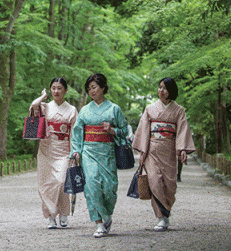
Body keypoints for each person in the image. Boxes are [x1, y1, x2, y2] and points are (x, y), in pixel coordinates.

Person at [131, 77, 196, 232]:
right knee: (154, 182)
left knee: (169, 185)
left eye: (165, 88)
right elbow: (144, 130)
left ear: (171, 91)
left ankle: (165, 212)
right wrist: (142, 151)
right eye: (160, 87)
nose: (161, 91)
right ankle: (161, 217)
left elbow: (182, 131)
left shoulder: (179, 110)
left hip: (169, 150)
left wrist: (181, 150)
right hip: (152, 150)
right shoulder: (150, 109)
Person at [70, 73, 129, 238]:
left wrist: (113, 130)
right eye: (89, 89)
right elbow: (77, 133)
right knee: (91, 185)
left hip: (107, 151)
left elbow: (125, 131)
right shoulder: (84, 110)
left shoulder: (114, 109)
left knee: (109, 188)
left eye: (94, 87)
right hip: (88, 151)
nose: (91, 91)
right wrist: (76, 150)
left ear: (103, 87)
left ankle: (107, 215)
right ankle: (98, 223)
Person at [29, 77, 78, 229]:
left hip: (64, 148)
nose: (56, 91)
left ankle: (63, 212)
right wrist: (43, 97)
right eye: (53, 88)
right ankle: (51, 216)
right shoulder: (44, 106)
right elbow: (33, 106)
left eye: (59, 88)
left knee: (61, 181)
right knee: (46, 183)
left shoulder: (72, 110)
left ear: (66, 91)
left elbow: (75, 132)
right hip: (46, 148)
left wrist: (75, 150)